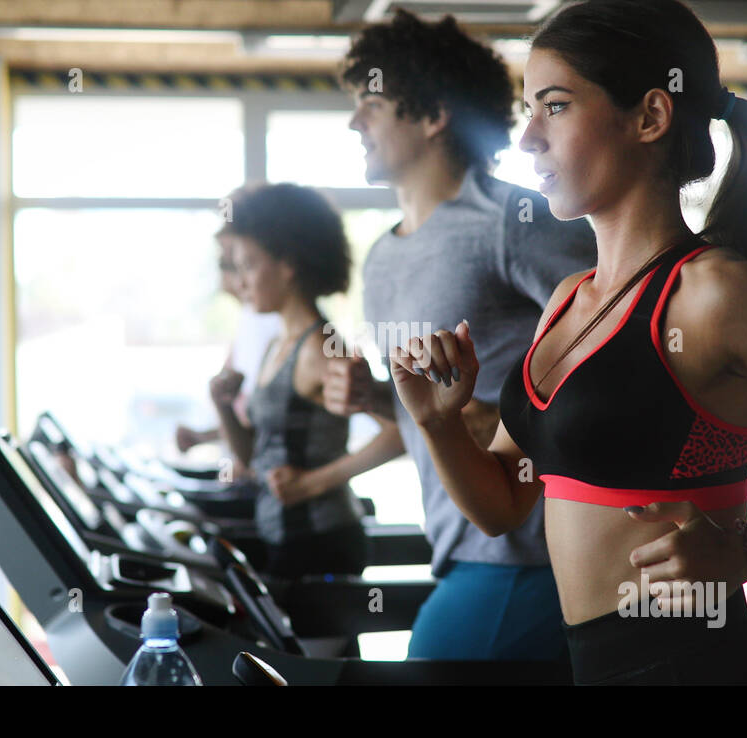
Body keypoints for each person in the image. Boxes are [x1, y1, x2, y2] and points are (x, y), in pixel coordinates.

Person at [386, 0, 747, 685]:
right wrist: (436, 422)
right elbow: (502, 506)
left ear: (650, 117)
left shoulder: (719, 293)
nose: (527, 140)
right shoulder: (567, 298)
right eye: (528, 111)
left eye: (555, 107)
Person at [323, 9, 598, 661]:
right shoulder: (384, 257)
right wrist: (375, 397)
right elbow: (425, 417)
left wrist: (491, 418)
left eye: (373, 104)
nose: (354, 122)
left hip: (534, 555)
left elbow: (628, 344)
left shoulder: (513, 219)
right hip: (457, 545)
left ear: (432, 114)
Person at [211, 182, 405, 580]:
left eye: (249, 265)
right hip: (283, 536)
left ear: (288, 264)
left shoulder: (322, 346)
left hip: (322, 542)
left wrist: (313, 484)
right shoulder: (277, 344)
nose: (241, 282)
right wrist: (223, 406)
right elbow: (255, 458)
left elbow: (401, 431)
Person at [175, 226, 281, 483]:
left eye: (240, 264)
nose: (234, 277)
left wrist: (314, 483)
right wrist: (205, 436)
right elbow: (259, 425)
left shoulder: (273, 324)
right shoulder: (249, 318)